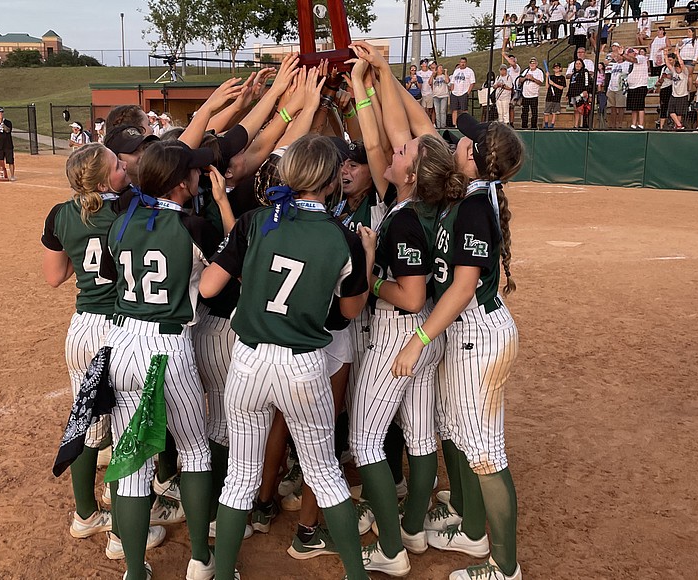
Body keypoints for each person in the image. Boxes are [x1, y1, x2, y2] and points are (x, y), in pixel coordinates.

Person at [201, 134, 373, 580]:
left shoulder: (257, 220)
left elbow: (208, 287)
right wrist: (367, 262)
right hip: (303, 363)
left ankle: (223, 575)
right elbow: (351, 312)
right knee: (326, 474)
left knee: (241, 476)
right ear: (331, 178)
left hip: (249, 359)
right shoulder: (343, 235)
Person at [393, 112, 525, 580]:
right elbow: (418, 124)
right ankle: (472, 531)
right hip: (467, 336)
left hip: (479, 338)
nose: (458, 141)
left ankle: (504, 566)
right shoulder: (471, 192)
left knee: (487, 453)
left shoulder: (473, 206)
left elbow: (463, 286)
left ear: (472, 155)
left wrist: (418, 340)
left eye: (466, 139)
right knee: (465, 437)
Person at [344, 46, 447, 578]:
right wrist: (367, 83)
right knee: (421, 435)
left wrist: (370, 269)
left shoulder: (405, 219)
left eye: (403, 152)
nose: (392, 149)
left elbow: (407, 294)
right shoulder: (419, 202)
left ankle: (390, 547)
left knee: (365, 440)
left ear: (410, 173)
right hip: (426, 337)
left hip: (397, 335)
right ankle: (413, 525)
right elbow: (374, 136)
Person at [41, 142, 168, 563]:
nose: (125, 168)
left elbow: (55, 276)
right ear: (100, 179)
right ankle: (120, 532)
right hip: (118, 328)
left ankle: (85, 515)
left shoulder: (60, 213)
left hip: (81, 329)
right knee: (123, 427)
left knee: (88, 424)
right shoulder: (128, 209)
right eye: (117, 165)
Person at [99, 140, 219, 580]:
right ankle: (201, 560)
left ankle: (134, 570)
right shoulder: (194, 225)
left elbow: (112, 276)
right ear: (180, 183)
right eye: (193, 173)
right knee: (194, 451)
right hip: (168, 346)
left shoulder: (121, 221)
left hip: (122, 341)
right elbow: (217, 283)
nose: (198, 177)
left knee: (132, 463)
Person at [624, 46, 650, 129]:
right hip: (632, 87)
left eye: (631, 53)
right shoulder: (629, 63)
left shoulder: (641, 57)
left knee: (640, 106)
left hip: (640, 85)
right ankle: (633, 124)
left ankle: (641, 124)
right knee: (633, 107)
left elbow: (633, 60)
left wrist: (622, 54)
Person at [667, 47, 691, 129]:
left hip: (682, 95)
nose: (677, 69)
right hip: (674, 95)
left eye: (678, 67)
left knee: (679, 113)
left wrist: (678, 54)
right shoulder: (674, 72)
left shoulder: (684, 73)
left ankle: (677, 126)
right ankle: (679, 125)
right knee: (671, 111)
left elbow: (682, 64)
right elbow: (668, 64)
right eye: (676, 67)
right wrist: (664, 54)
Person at [450, 57, 476, 127]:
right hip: (455, 93)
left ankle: (465, 124)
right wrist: (452, 90)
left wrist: (468, 92)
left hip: (463, 92)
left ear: (466, 63)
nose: (462, 64)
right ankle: (455, 124)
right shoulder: (456, 71)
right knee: (454, 110)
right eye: (461, 62)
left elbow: (472, 82)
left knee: (464, 110)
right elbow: (452, 82)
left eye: (464, 62)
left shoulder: (469, 71)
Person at [0, 107, 16, 181]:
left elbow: (8, 130)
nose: (0, 114)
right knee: (0, 160)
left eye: (1, 112)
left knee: (10, 161)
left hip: (8, 145)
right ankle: (2, 174)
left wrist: (2, 124)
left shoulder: (8, 122)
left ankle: (12, 175)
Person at [606, 48, 628, 129]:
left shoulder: (626, 64)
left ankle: (620, 124)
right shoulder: (614, 65)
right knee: (612, 108)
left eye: (619, 55)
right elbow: (611, 76)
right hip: (612, 88)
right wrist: (608, 88)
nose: (617, 56)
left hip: (621, 88)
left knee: (621, 107)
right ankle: (613, 124)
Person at [520, 57, 545, 129]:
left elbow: (540, 82)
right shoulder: (526, 70)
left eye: (534, 63)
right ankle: (524, 126)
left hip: (534, 95)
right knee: (524, 113)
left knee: (534, 113)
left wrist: (532, 79)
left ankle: (533, 127)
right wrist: (525, 78)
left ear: (536, 64)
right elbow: (520, 79)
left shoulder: (539, 72)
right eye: (531, 63)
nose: (532, 64)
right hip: (525, 95)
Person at [544, 62, 567, 128]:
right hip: (549, 97)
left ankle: (552, 125)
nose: (556, 69)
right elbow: (547, 87)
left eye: (557, 67)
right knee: (546, 112)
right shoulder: (551, 77)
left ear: (560, 68)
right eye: (555, 68)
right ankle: (546, 126)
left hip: (557, 98)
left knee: (554, 112)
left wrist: (553, 84)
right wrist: (547, 77)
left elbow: (561, 87)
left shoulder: (562, 78)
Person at [501, 52, 522, 126]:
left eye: (513, 59)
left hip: (513, 90)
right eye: (510, 59)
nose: (511, 61)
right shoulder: (507, 70)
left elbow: (513, 64)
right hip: (505, 90)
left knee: (511, 107)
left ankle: (511, 123)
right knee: (505, 107)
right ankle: (504, 121)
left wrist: (504, 56)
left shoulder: (516, 68)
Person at [432, 64, 450, 129]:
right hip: (436, 96)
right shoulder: (434, 77)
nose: (441, 69)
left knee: (442, 111)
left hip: (443, 95)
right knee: (437, 112)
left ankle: (443, 125)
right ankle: (438, 126)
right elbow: (430, 83)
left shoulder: (444, 76)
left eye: (442, 68)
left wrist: (445, 73)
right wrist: (433, 74)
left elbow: (447, 81)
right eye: (440, 68)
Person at [596, 62, 608, 127]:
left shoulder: (604, 73)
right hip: (598, 84)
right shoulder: (597, 73)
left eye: (600, 65)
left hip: (603, 86)